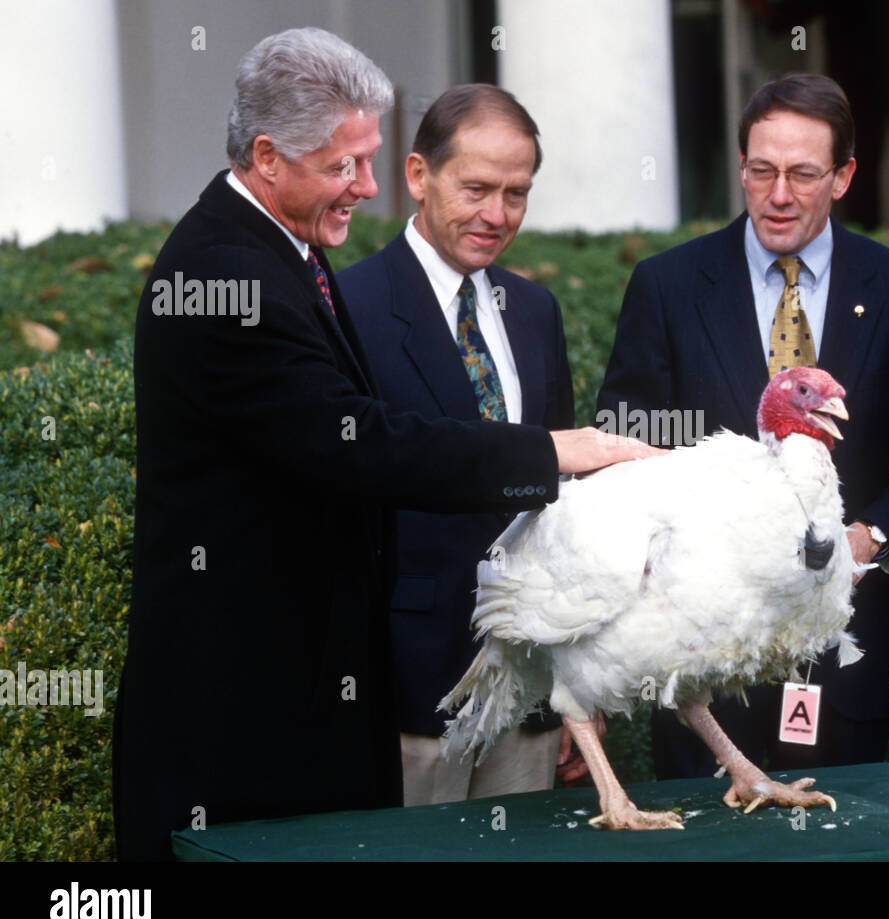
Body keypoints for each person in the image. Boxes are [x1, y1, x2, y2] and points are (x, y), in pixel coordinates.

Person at [113, 27, 655, 861]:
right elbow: (363, 445)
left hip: (305, 707)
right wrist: (550, 453)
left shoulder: (284, 251)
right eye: (344, 165)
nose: (367, 187)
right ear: (267, 156)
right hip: (248, 723)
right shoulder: (223, 278)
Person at [598, 73, 889, 778]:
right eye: (761, 170)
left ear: (843, 176)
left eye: (803, 174)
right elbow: (623, 451)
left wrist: (871, 539)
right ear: (741, 167)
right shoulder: (667, 286)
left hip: (842, 651)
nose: (777, 195)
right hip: (697, 652)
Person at [338, 85, 589, 804]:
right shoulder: (349, 307)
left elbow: (561, 506)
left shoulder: (535, 311)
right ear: (418, 176)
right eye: (476, 188)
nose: (496, 215)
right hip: (407, 694)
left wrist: (575, 686)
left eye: (517, 193)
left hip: (531, 690)